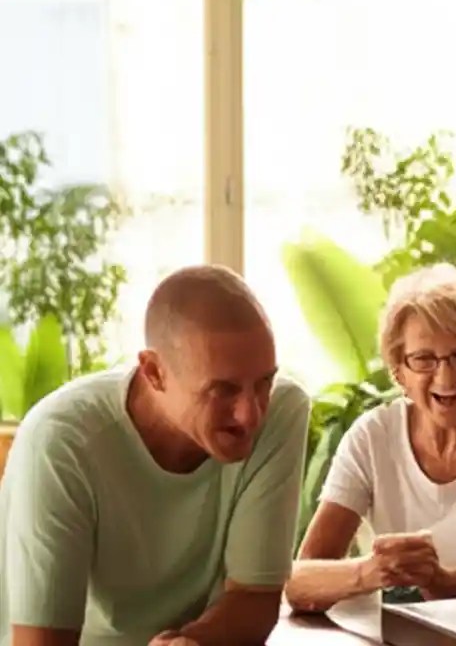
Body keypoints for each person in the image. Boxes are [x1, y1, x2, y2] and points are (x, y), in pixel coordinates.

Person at [0, 265, 310, 646]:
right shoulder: (61, 440)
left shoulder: (281, 411)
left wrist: (189, 643)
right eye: (223, 390)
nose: (250, 414)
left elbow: (256, 600)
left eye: (264, 382)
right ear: (154, 372)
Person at [285, 265, 456, 611]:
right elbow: (301, 582)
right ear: (399, 370)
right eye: (424, 359)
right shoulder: (372, 436)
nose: (445, 376)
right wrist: (369, 571)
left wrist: (442, 581)